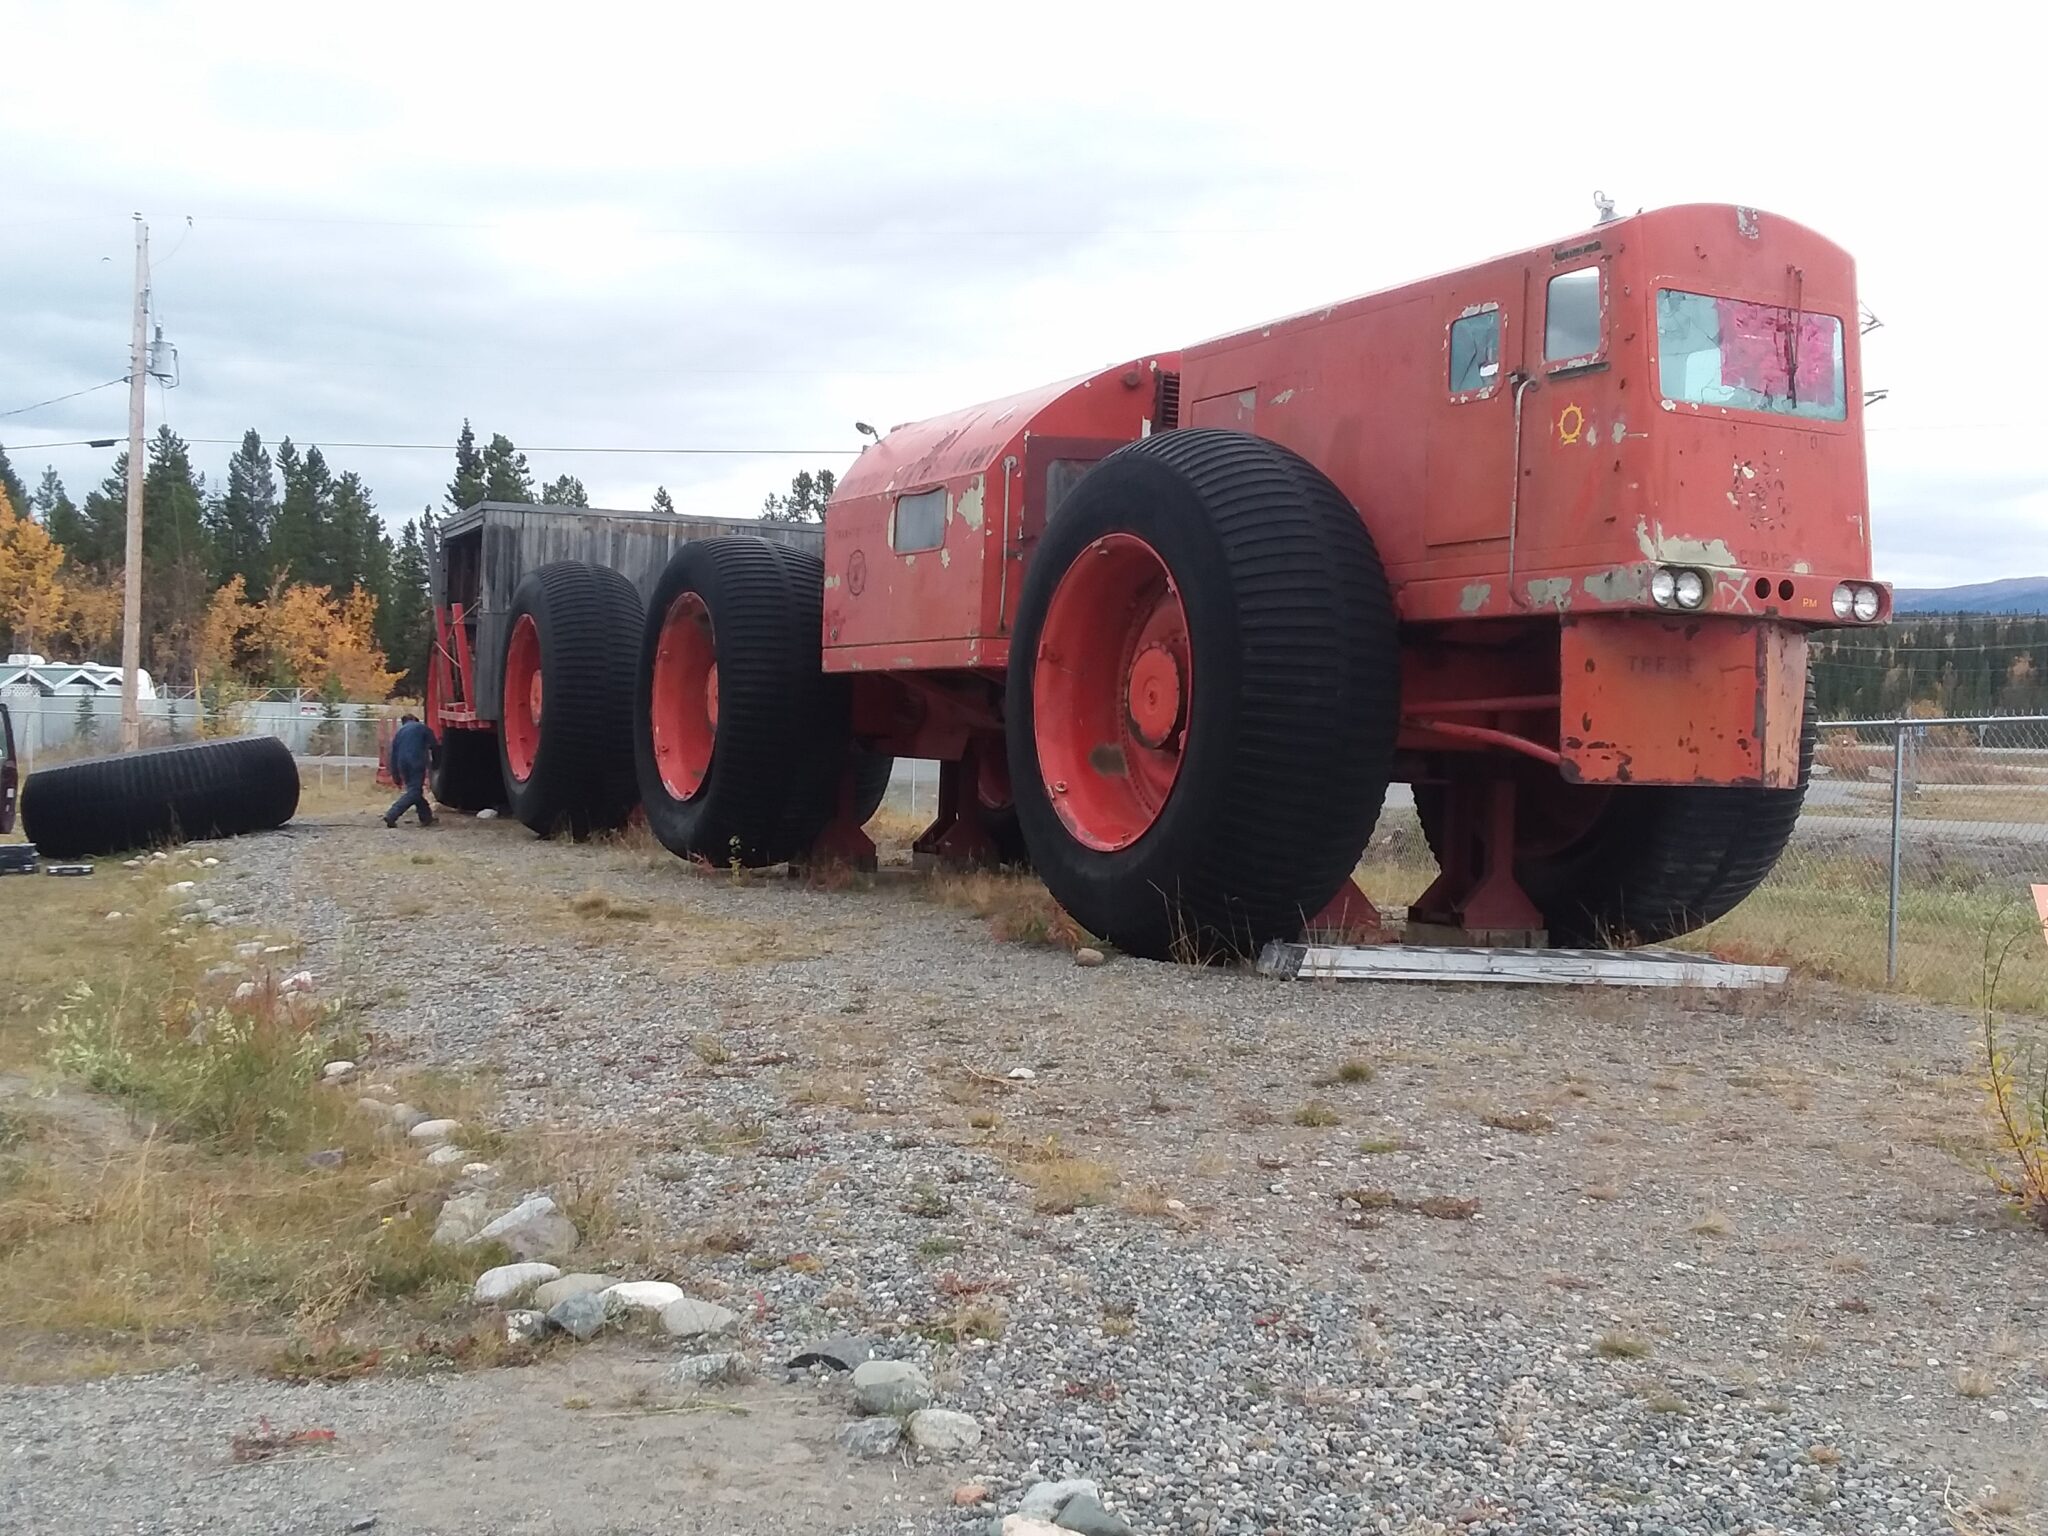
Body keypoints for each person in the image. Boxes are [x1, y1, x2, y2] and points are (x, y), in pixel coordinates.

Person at [384, 712, 440, 828]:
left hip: (402, 764)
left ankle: (426, 817)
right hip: (416, 762)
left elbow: (393, 755)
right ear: (416, 720)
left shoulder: (399, 733)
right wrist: (436, 764)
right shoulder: (422, 728)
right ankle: (392, 814)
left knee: (414, 791)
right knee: (414, 791)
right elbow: (435, 746)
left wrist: (396, 776)